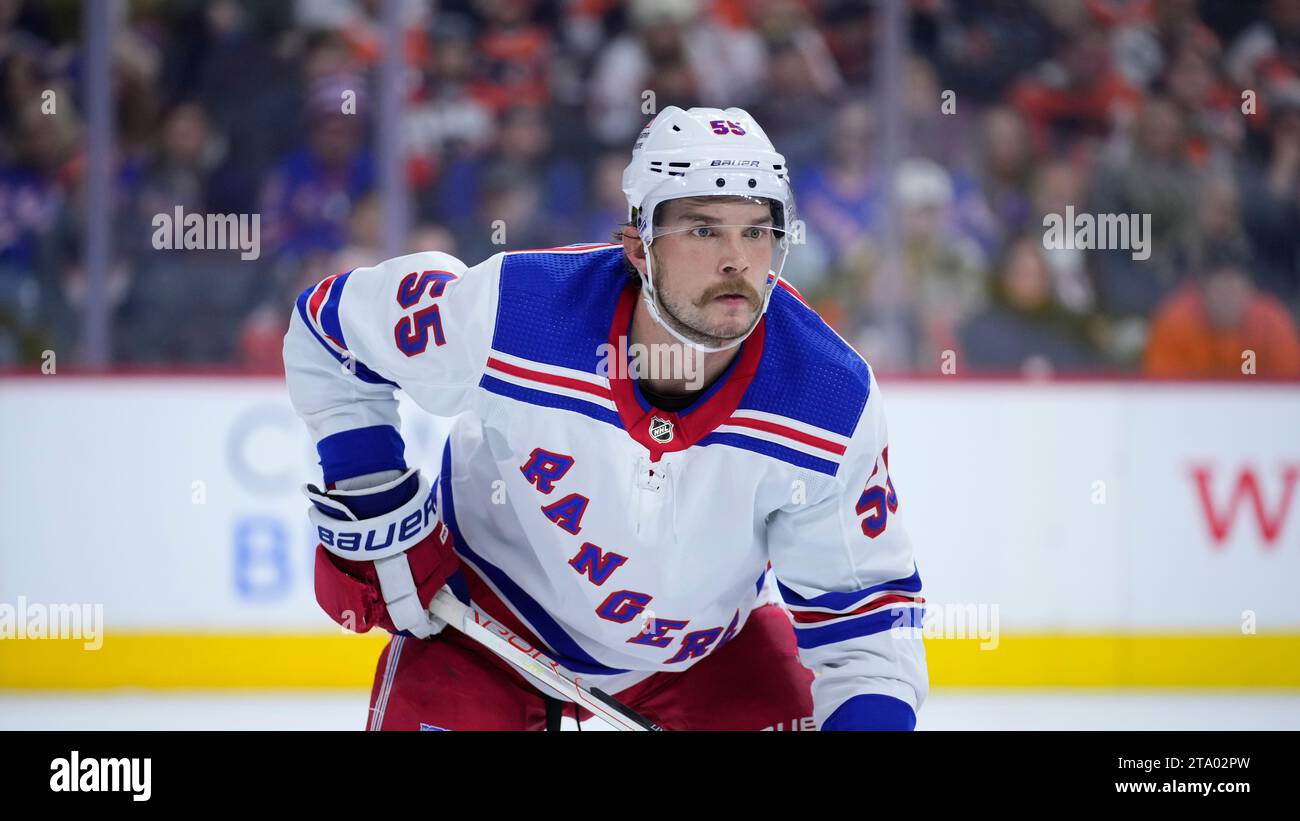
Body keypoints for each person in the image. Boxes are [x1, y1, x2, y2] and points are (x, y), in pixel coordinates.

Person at [282, 106, 928, 731]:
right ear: (639, 248)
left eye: (756, 231)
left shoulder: (828, 397)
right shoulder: (516, 312)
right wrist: (371, 488)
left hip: (704, 658)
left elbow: (867, 629)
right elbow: (331, 332)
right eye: (704, 230)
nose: (737, 259)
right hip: (486, 629)